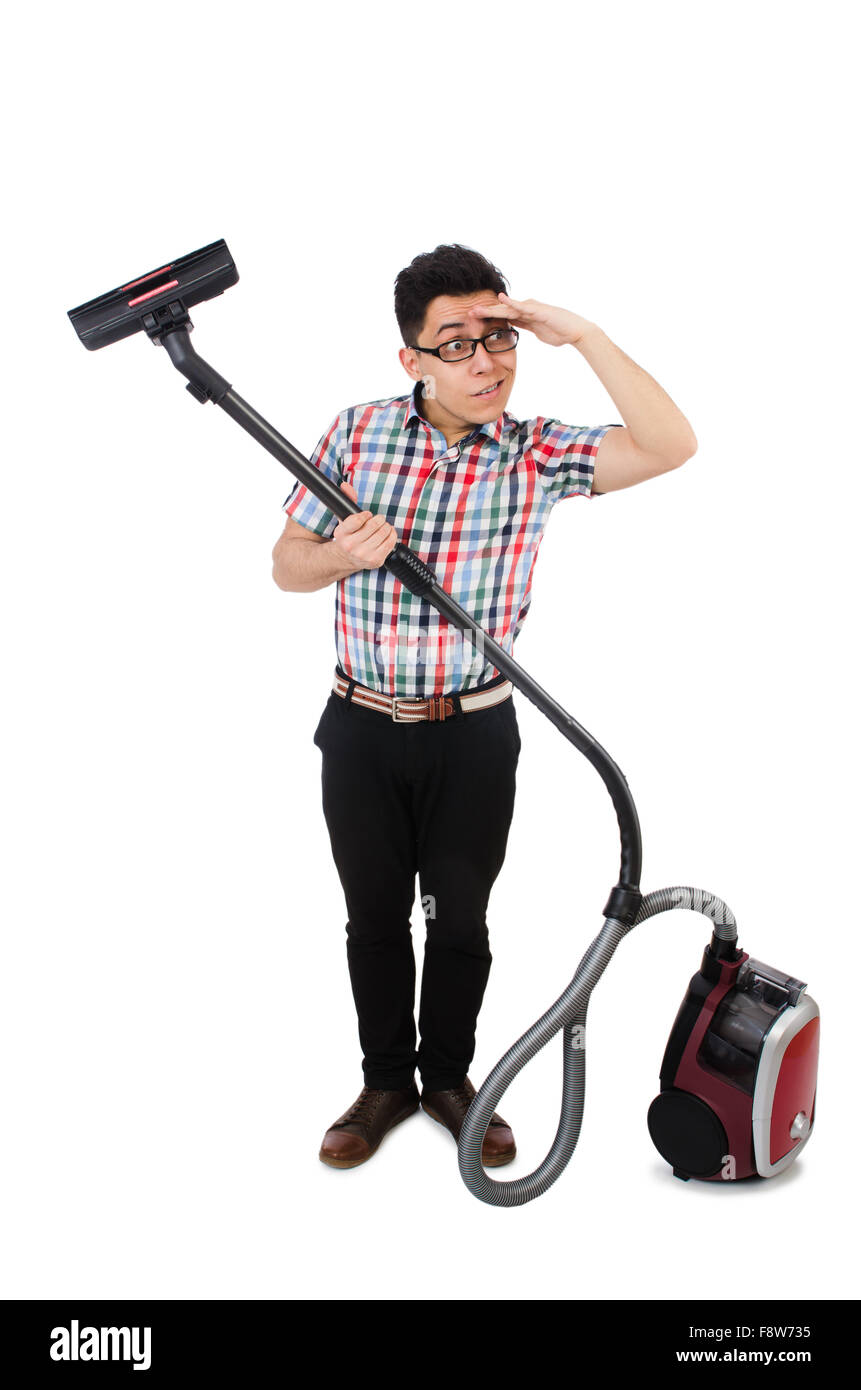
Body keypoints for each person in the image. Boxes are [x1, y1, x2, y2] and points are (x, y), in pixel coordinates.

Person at [272, 244, 697, 1171]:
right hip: (359, 725)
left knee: (460, 918)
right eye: (455, 344)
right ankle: (384, 1082)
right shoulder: (356, 433)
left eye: (497, 338)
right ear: (412, 361)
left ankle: (451, 1079)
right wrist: (341, 555)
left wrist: (579, 334)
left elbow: (671, 445)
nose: (484, 362)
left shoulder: (536, 450)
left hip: (474, 728)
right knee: (374, 917)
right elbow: (284, 565)